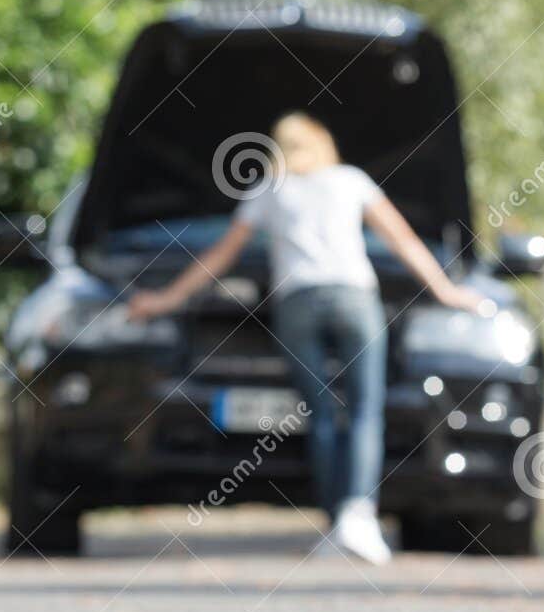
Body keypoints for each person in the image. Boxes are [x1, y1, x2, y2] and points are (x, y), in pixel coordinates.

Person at [128, 112, 486, 563]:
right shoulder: (351, 180)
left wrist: (164, 299)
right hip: (353, 297)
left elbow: (221, 255)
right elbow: (402, 240)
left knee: (319, 414)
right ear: (324, 144)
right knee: (363, 409)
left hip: (297, 304)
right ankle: (359, 518)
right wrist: (447, 290)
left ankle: (338, 524)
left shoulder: (270, 190)